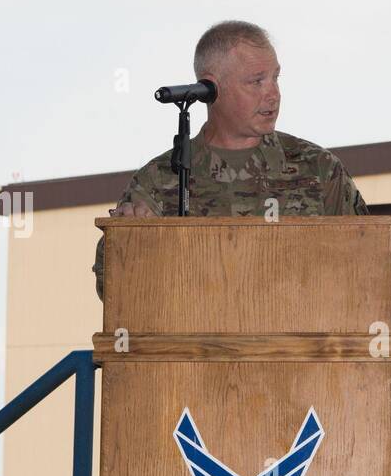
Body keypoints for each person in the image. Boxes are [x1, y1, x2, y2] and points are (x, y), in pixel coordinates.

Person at [93, 20, 369, 298]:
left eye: (276, 78)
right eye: (257, 81)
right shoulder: (159, 180)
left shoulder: (319, 170)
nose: (273, 94)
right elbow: (114, 291)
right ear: (212, 88)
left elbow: (369, 262)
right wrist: (129, 242)